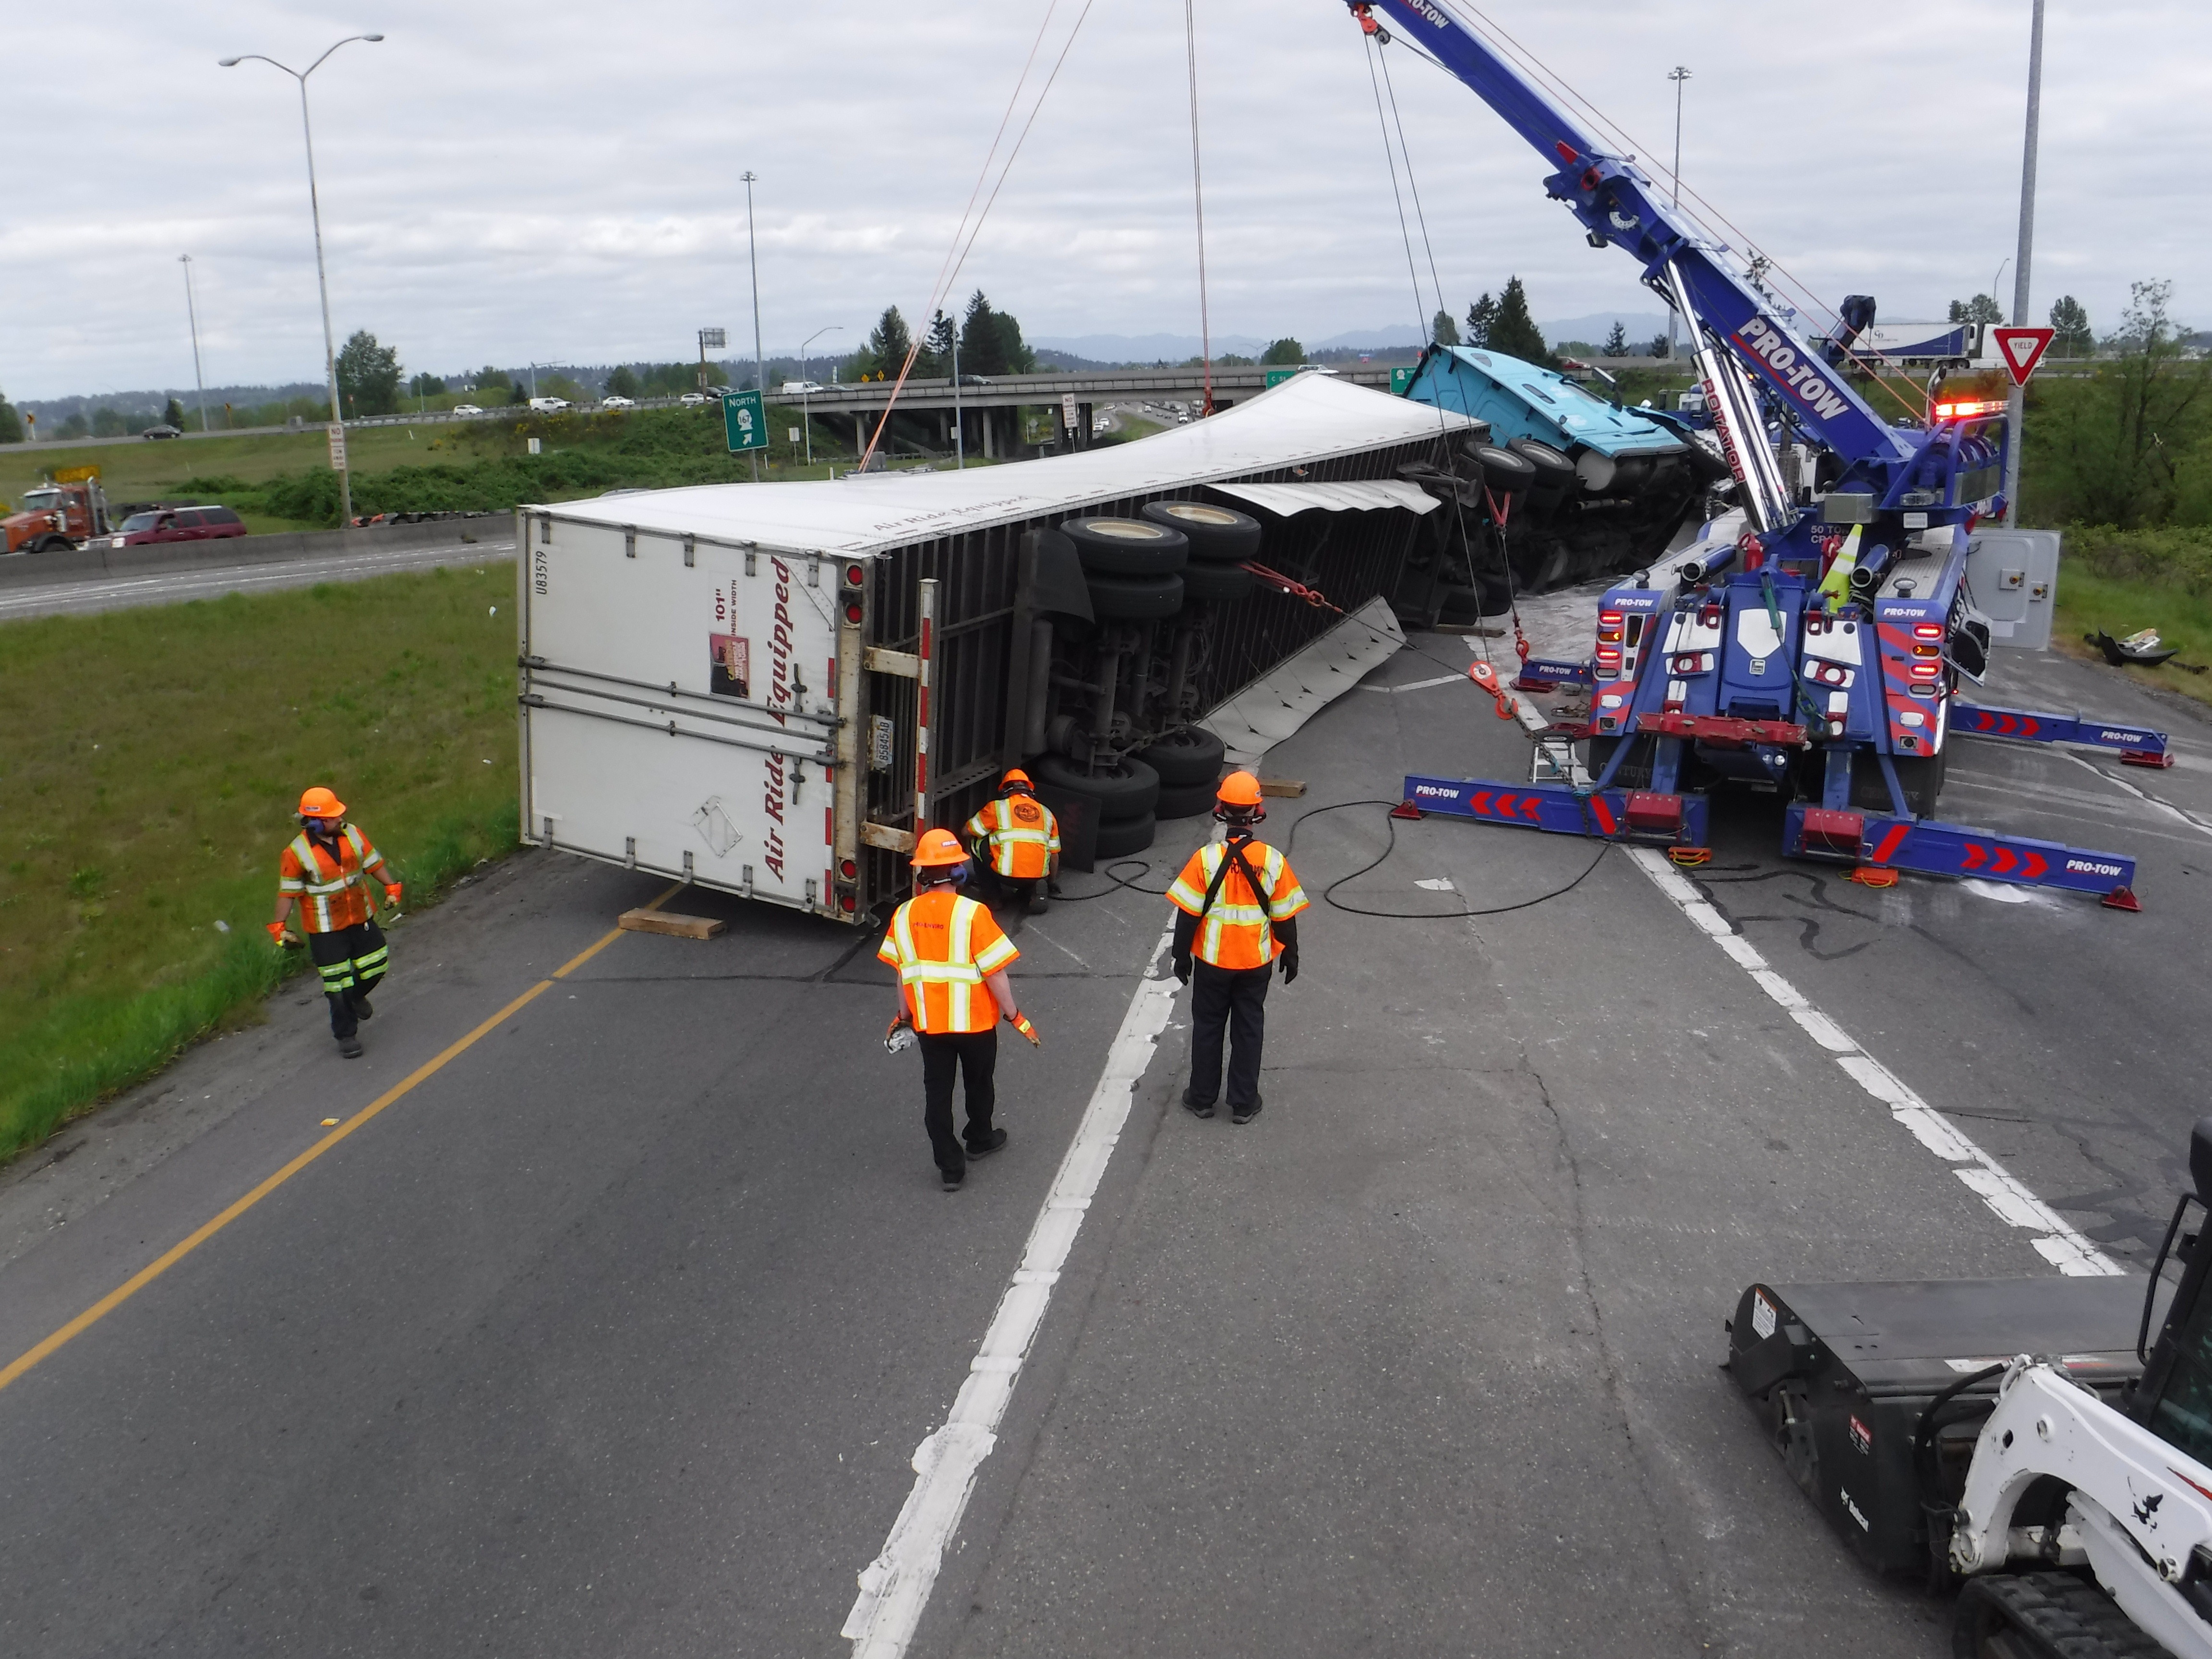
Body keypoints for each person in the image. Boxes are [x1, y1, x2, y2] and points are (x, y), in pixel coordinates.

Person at [878, 828, 1041, 1190]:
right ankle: (980, 1138)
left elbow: (903, 973)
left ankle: (950, 1168)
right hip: (975, 1024)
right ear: (959, 872)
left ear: (922, 875)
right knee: (979, 1082)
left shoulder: (903, 916)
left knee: (937, 1093)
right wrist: (1014, 1014)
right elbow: (994, 972)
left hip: (930, 1026)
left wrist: (904, 1016)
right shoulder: (973, 914)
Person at [1166, 771, 1309, 1125]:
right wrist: (1290, 955)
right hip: (1255, 963)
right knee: (1249, 1029)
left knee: (1208, 1027)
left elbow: (1187, 916)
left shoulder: (1205, 859)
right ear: (1257, 811)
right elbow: (1285, 917)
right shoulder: (1273, 860)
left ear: (1221, 809)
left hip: (1213, 962)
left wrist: (1181, 956)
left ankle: (1201, 1099)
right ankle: (1244, 1103)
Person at [267, 786, 401, 1059]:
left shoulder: (352, 834)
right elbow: (288, 892)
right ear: (315, 822)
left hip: (359, 916)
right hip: (325, 929)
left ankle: (355, 996)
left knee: (378, 964)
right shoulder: (297, 853)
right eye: (331, 818)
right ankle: (346, 1036)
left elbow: (373, 863)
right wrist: (279, 927)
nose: (339, 820)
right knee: (336, 986)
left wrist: (391, 887)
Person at [963, 767, 1061, 914]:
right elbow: (1054, 855)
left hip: (1006, 875)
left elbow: (966, 832)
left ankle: (993, 898)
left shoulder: (996, 807)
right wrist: (1052, 882)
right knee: (1044, 849)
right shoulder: (1047, 813)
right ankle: (1032, 888)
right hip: (1039, 875)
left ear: (1005, 791)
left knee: (976, 842)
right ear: (1030, 791)